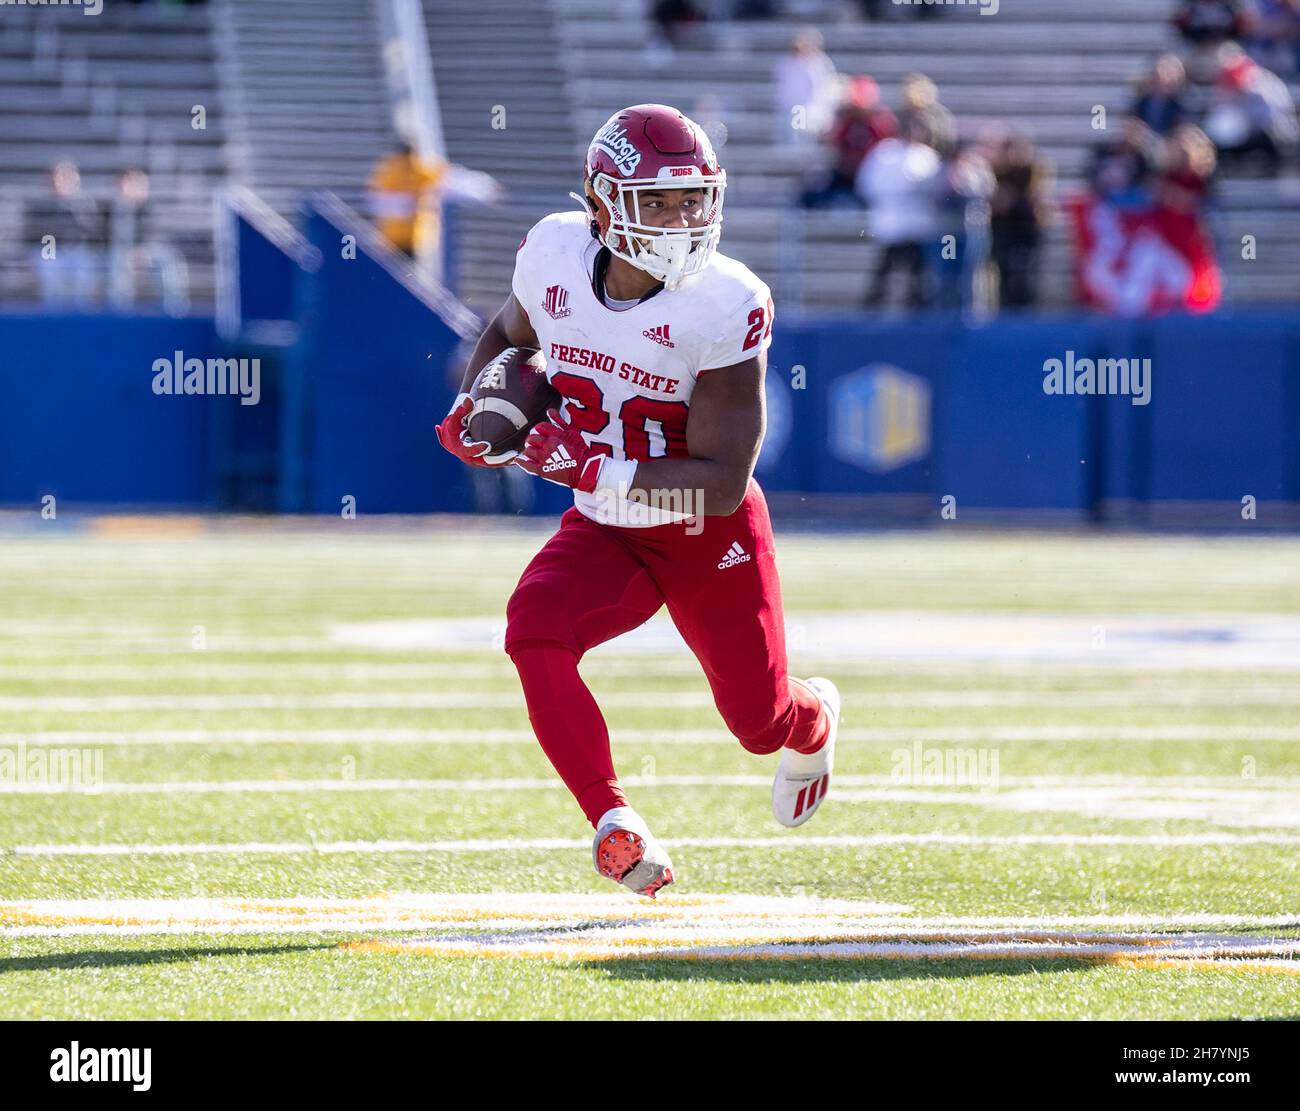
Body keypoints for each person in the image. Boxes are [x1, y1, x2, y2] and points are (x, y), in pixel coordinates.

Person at [435, 104, 840, 899]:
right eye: (655, 202)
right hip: (608, 527)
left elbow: (724, 476)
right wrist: (479, 408)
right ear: (600, 203)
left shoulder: (727, 301)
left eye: (693, 199)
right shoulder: (553, 251)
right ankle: (613, 820)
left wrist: (592, 465)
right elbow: (512, 335)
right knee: (534, 629)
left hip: (703, 528)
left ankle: (815, 720)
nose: (681, 219)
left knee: (758, 724)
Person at [856, 120, 944, 308]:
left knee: (918, 272)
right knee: (886, 268)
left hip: (918, 225)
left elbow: (937, 188)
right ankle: (873, 306)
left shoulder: (927, 156)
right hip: (892, 222)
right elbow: (868, 184)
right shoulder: (885, 153)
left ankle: (917, 306)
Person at [799, 75, 897, 208]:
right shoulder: (844, 121)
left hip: (871, 176)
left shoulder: (880, 123)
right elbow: (830, 142)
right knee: (811, 195)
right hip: (847, 175)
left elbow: (886, 154)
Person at [367, 141, 447, 258]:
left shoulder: (388, 171)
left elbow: (376, 198)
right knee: (408, 271)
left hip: (391, 233)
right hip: (412, 233)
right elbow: (440, 179)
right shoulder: (418, 170)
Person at [772, 28, 839, 145]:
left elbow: (823, 89)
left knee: (804, 139)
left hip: (810, 109)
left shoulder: (820, 63)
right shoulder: (786, 63)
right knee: (790, 140)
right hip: (791, 108)